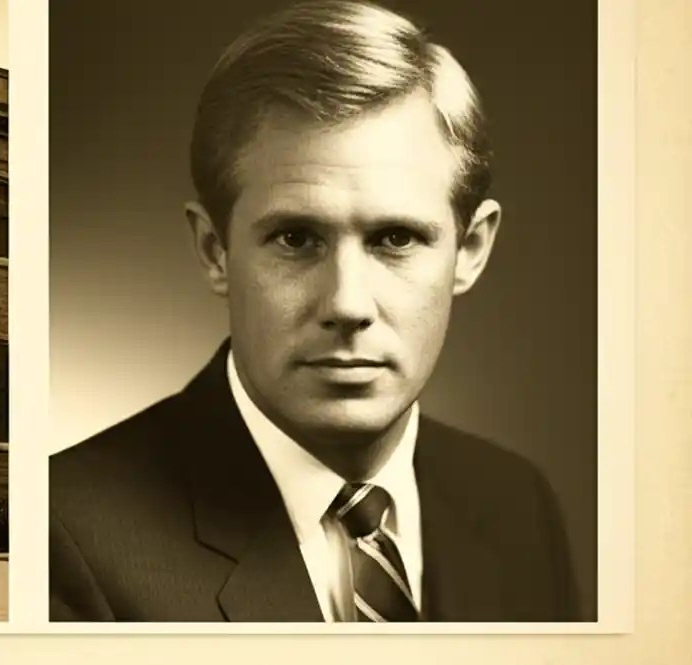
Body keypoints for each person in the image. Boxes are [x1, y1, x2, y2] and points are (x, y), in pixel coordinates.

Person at [49, 0, 580, 622]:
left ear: (470, 249)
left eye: (396, 238)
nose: (348, 304)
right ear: (214, 250)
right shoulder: (64, 537)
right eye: (297, 239)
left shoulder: (519, 505)